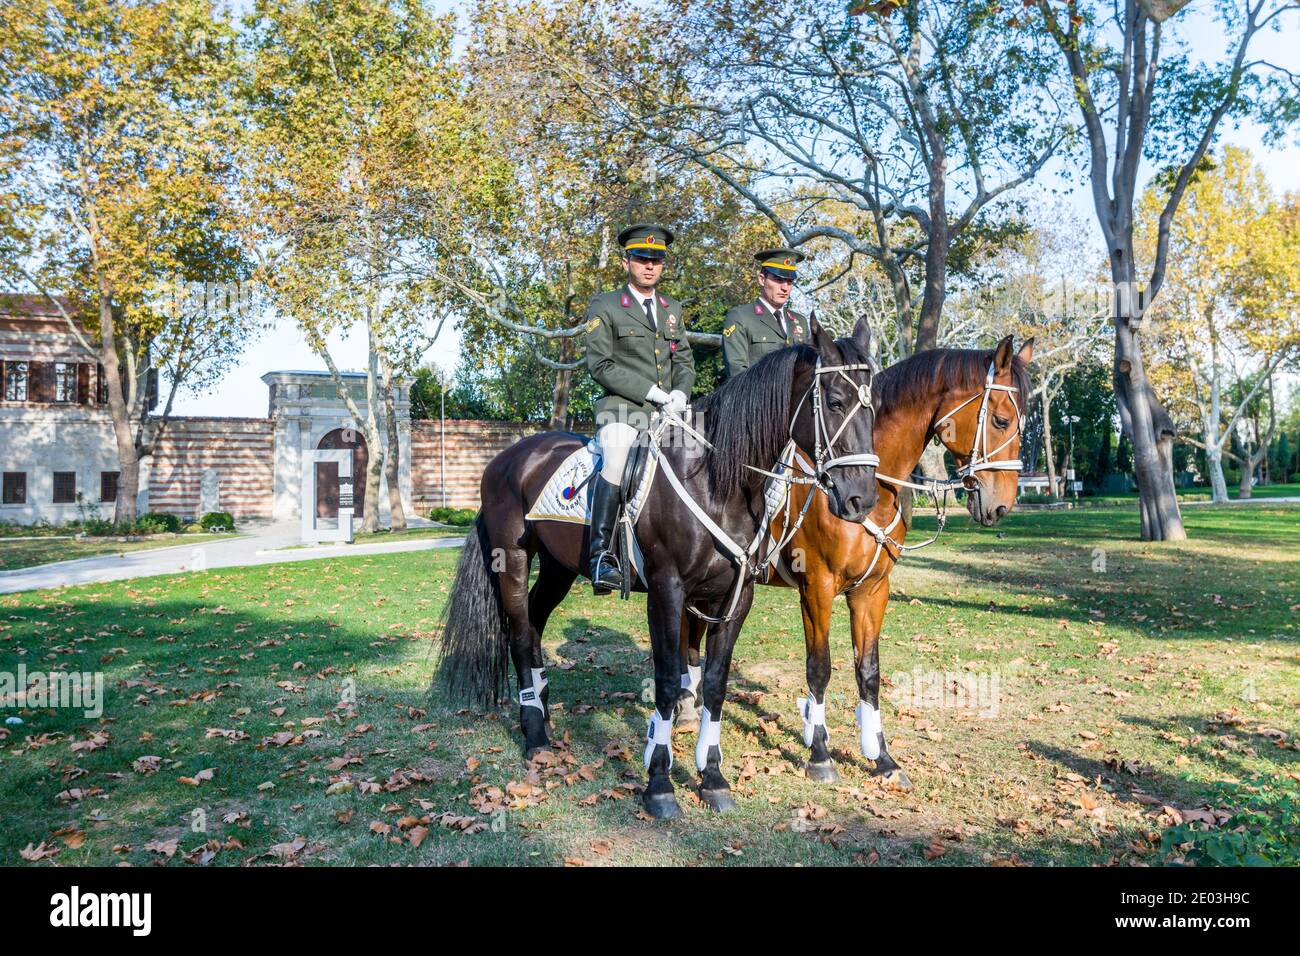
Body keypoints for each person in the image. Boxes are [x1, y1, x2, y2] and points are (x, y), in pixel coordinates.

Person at [584, 223, 696, 594]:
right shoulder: (606, 306)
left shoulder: (671, 309)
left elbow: (685, 361)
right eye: (641, 259)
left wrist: (679, 393)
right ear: (626, 261)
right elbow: (600, 364)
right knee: (616, 458)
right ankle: (601, 556)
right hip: (622, 409)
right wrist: (652, 392)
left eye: (657, 260)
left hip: (670, 411)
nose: (649, 266)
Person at [722, 248, 811, 379]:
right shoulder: (740, 317)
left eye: (789, 282)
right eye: (778, 280)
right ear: (762, 279)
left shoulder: (800, 321)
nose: (785, 288)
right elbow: (737, 372)